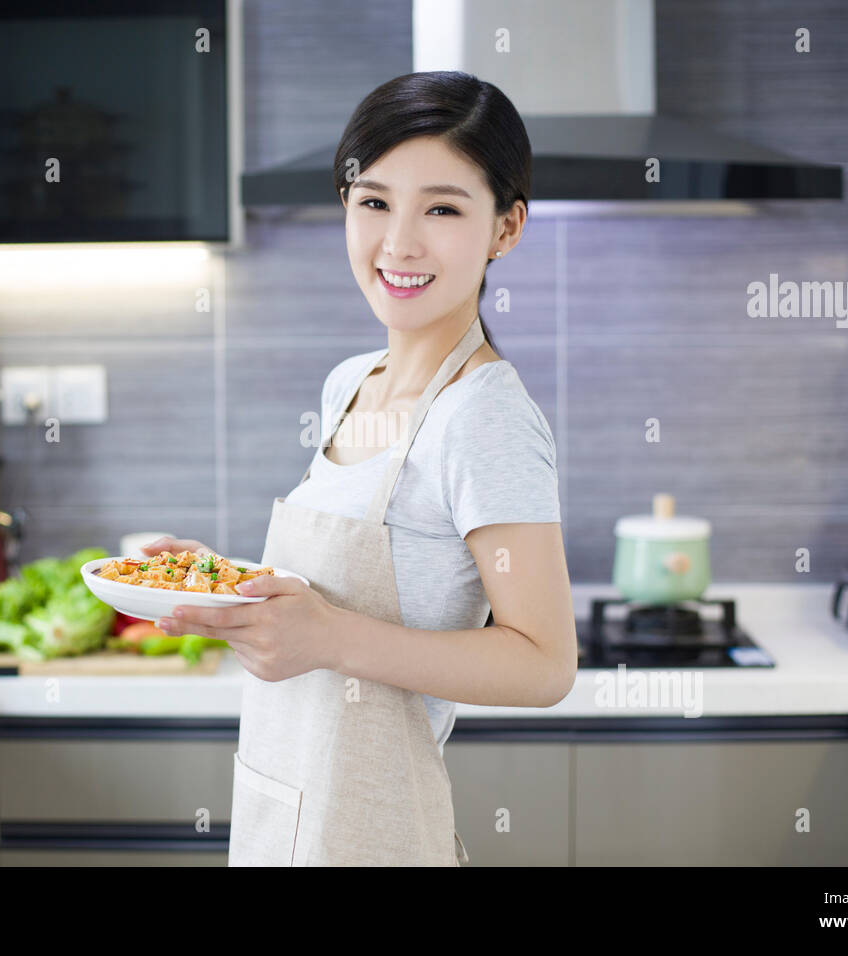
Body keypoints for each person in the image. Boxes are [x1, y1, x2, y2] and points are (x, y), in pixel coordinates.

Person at [144, 71, 576, 866]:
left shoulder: (483, 416)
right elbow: (325, 603)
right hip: (292, 815)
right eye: (374, 202)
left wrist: (332, 639)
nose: (399, 244)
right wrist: (211, 579)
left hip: (373, 836)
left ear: (506, 228)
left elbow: (546, 664)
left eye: (442, 209)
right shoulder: (352, 383)